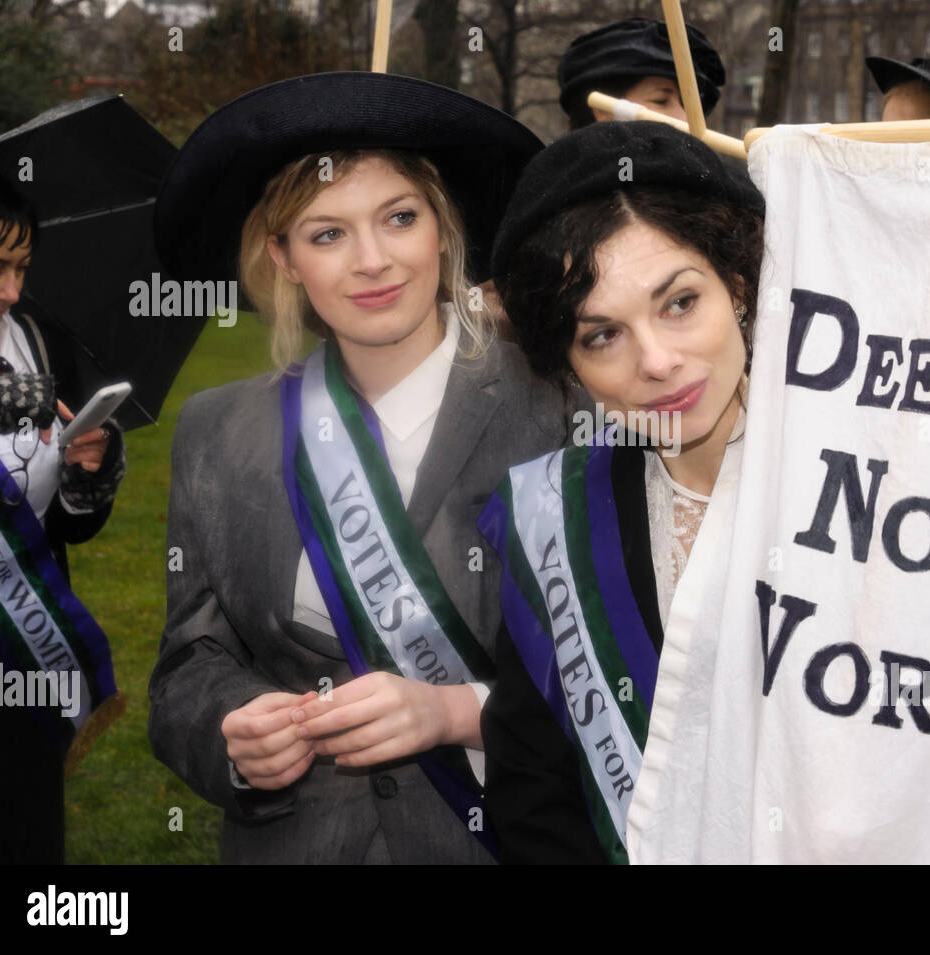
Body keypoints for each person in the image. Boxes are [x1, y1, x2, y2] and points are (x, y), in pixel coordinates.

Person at [147, 72, 573, 864]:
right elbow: (186, 669)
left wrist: (462, 712)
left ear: (443, 229)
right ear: (283, 258)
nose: (372, 260)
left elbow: (639, 671)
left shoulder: (564, 409)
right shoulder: (216, 431)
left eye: (399, 218)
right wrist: (231, 734)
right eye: (327, 233)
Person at [478, 122, 764, 862]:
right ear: (568, 367)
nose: (658, 362)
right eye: (602, 335)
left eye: (678, 302)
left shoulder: (858, 478)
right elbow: (531, 790)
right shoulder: (556, 514)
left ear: (736, 284)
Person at [0, 159, 125, 864]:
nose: (11, 289)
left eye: (23, 267)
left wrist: (87, 467)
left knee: (22, 827)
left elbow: (67, 525)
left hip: (21, 638)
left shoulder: (37, 342)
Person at [557, 18, 725, 129]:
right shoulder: (624, 173)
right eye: (660, 101)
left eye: (685, 105)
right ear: (604, 111)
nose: (685, 118)